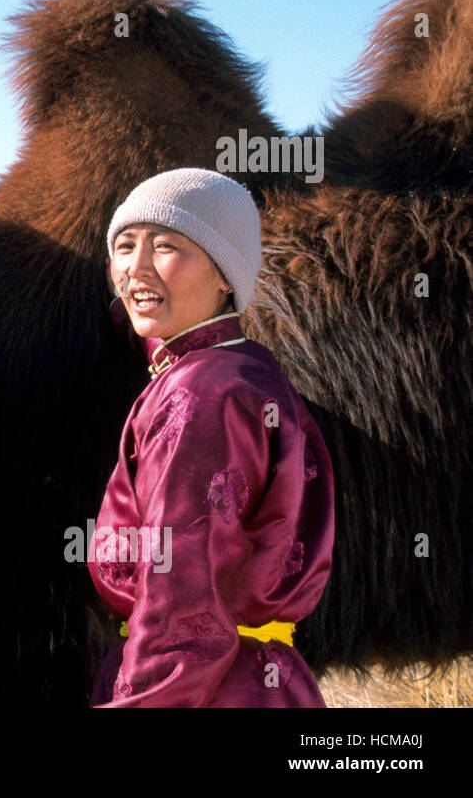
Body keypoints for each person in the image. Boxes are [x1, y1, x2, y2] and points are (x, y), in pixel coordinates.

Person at [90, 167, 334, 707]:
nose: (136, 267)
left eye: (167, 246)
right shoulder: (238, 372)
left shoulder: (200, 393)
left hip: (198, 691)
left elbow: (183, 603)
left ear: (226, 275)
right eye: (125, 245)